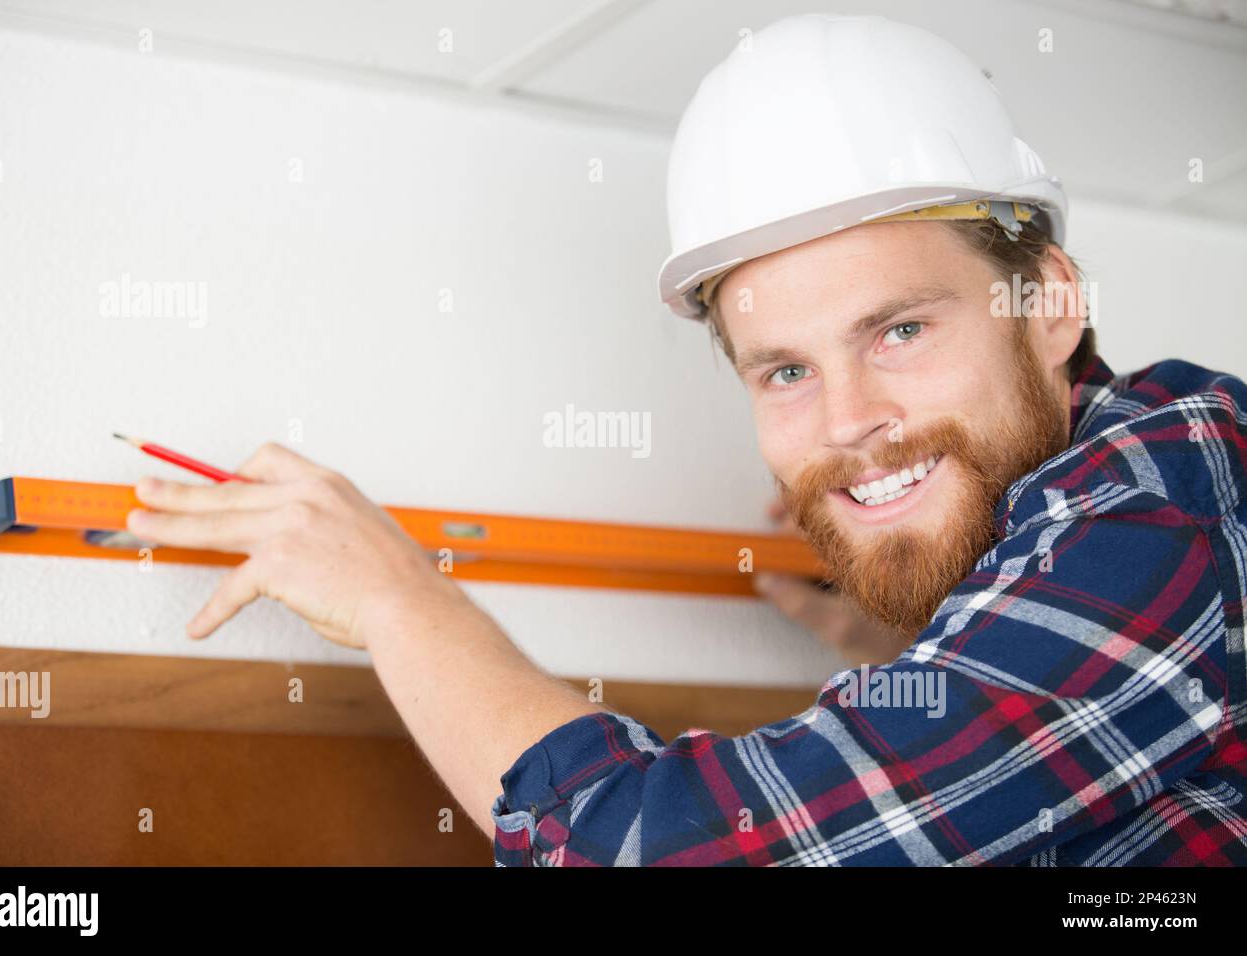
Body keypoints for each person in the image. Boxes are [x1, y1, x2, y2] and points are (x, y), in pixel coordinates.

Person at [125, 14, 1247, 865]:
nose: (849, 419)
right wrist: (910, 662)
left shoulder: (1172, 494)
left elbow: (660, 848)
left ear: (1047, 304)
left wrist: (400, 604)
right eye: (787, 370)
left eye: (900, 328)